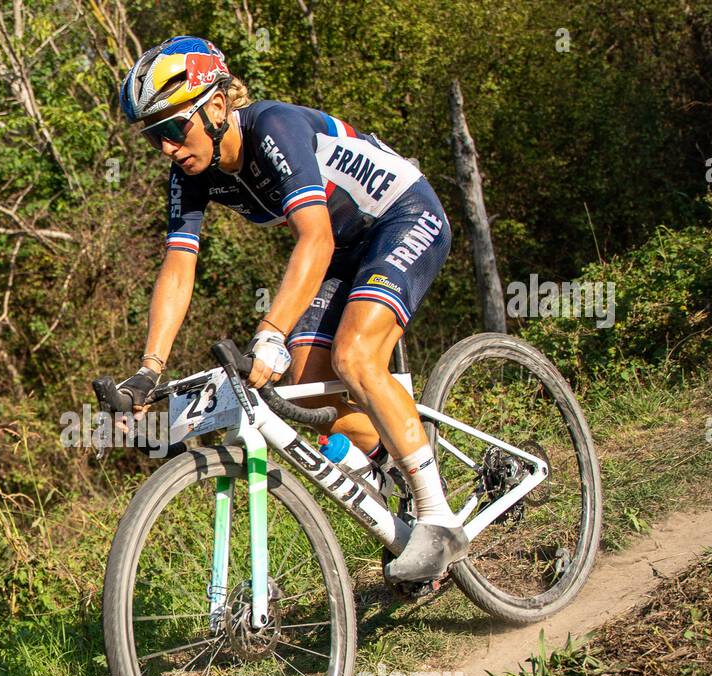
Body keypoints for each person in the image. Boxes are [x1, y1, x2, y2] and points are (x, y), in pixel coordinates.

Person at [115, 35, 467, 582]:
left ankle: (437, 520)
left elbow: (315, 238)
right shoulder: (189, 175)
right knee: (309, 383)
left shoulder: (272, 128)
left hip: (401, 216)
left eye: (172, 128)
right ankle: (393, 466)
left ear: (215, 106)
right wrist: (149, 369)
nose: (166, 147)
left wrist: (271, 329)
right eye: (154, 135)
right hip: (347, 247)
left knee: (354, 356)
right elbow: (178, 267)